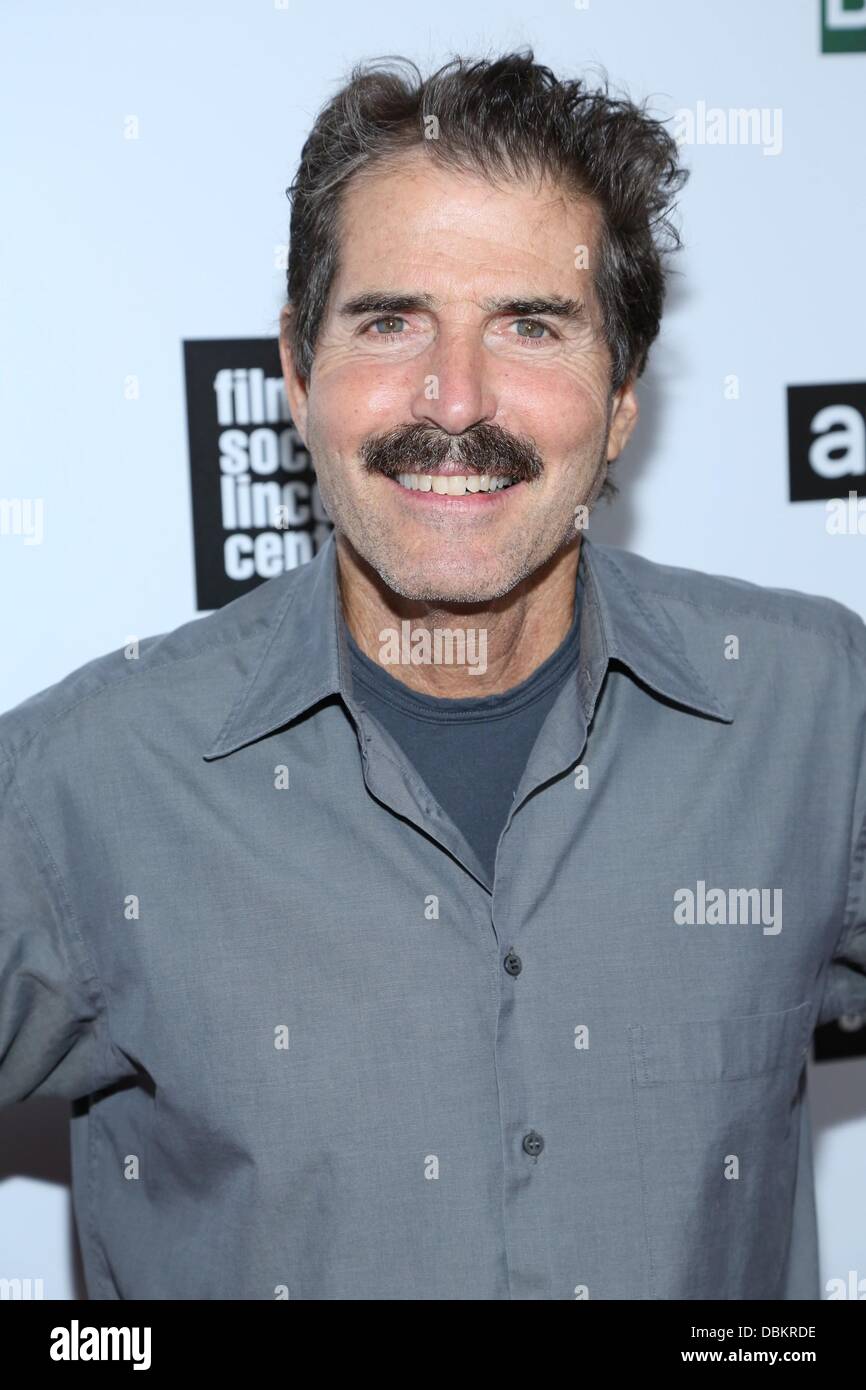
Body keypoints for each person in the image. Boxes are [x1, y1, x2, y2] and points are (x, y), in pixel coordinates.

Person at [1, 50, 864, 1301]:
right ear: (297, 371)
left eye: (529, 324)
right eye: (390, 320)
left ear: (621, 397)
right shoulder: (82, 783)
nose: (454, 400)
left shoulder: (813, 715)